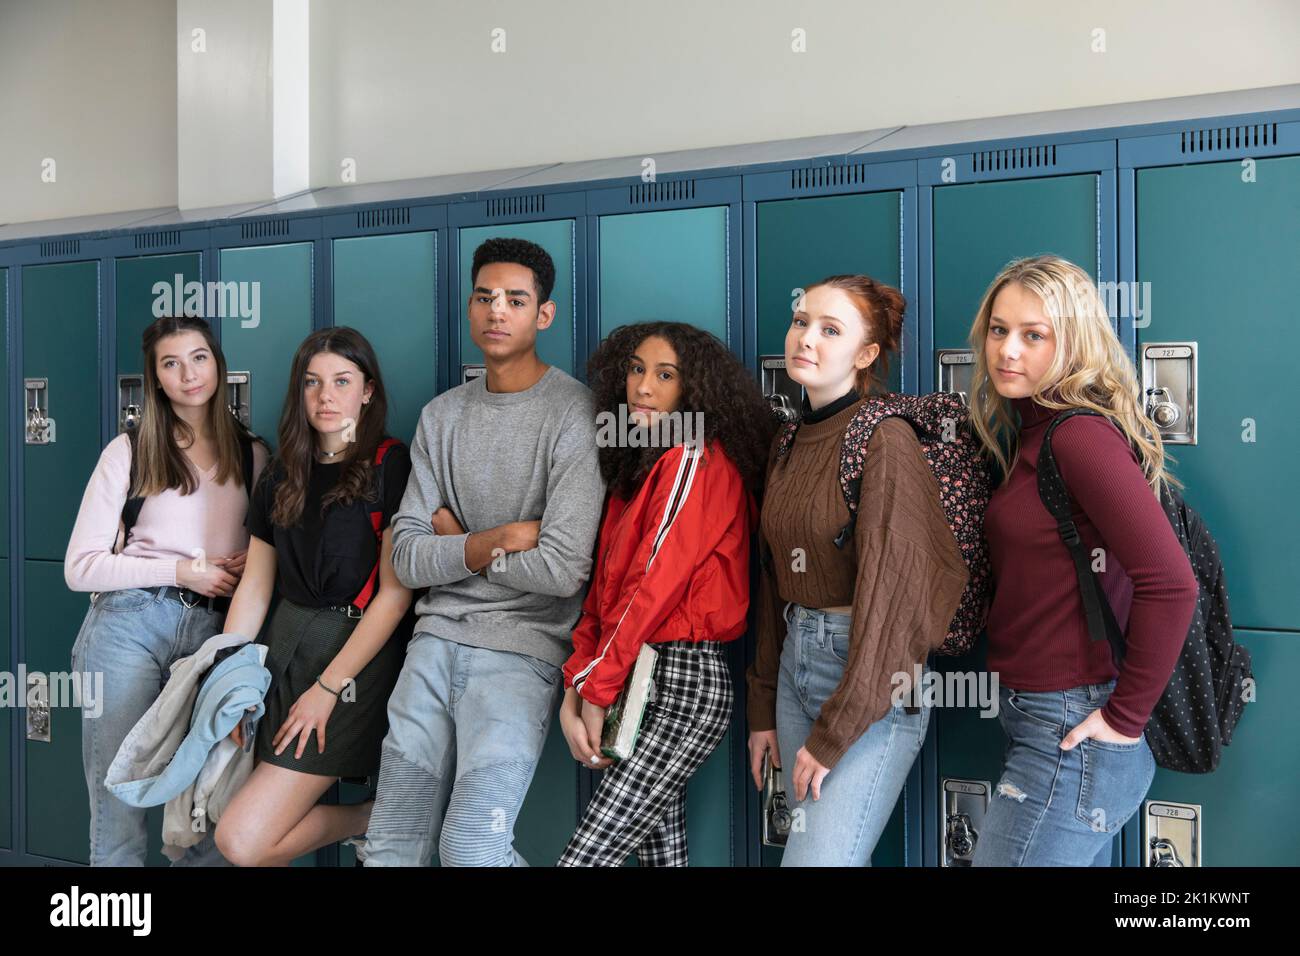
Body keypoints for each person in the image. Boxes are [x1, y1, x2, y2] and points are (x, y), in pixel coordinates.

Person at [362, 237, 605, 866]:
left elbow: (560, 569)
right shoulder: (440, 417)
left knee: (471, 846)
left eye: (515, 300)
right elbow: (407, 559)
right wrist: (492, 542)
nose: (497, 311)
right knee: (390, 846)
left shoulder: (575, 415)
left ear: (542, 316)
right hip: (431, 649)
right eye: (485, 298)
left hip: (519, 659)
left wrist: (455, 543)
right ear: (470, 310)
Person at [965, 255, 1197, 866]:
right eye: (998, 329)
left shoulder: (1078, 438)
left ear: (1073, 343)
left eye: (1033, 335)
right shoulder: (1032, 434)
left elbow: (1171, 584)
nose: (1007, 350)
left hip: (1072, 726)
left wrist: (1124, 719)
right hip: (1040, 717)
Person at [746, 275, 970, 866]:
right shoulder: (788, 440)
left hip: (872, 680)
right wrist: (763, 704)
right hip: (799, 661)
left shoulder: (885, 441)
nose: (806, 338)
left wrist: (837, 729)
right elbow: (773, 581)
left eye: (830, 329)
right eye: (801, 321)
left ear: (866, 354)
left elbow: (893, 600)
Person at [556, 321, 773, 866]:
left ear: (692, 390)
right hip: (635, 675)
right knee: (661, 862)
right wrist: (578, 683)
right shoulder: (639, 470)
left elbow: (648, 589)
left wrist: (595, 689)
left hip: (681, 684)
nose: (643, 387)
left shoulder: (691, 460)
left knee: (584, 860)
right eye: (635, 370)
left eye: (665, 375)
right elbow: (603, 593)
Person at [66, 314, 268, 866]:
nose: (188, 374)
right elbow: (80, 568)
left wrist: (253, 557)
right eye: (171, 364)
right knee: (118, 804)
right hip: (130, 625)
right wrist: (182, 572)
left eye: (199, 358)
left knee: (207, 806)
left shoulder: (253, 456)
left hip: (216, 634)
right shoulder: (128, 452)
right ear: (155, 379)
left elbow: (271, 548)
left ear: (218, 366)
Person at [212, 327, 414, 867]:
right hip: (283, 648)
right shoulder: (281, 471)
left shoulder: (389, 463)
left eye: (342, 381)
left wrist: (328, 688)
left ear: (367, 391)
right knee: (264, 833)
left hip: (352, 660)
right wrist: (230, 680)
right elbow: (255, 587)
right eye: (313, 382)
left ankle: (383, 814)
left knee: (243, 840)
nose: (326, 396)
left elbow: (395, 597)